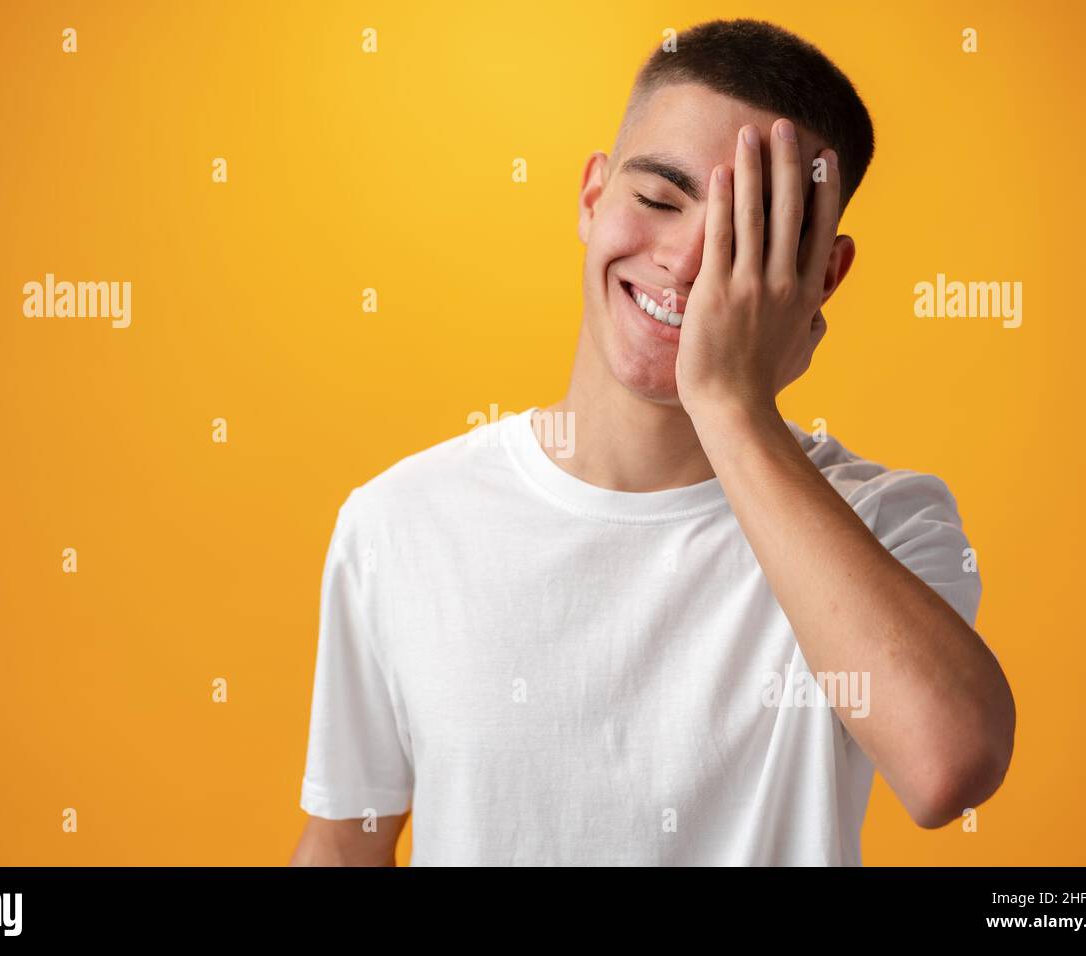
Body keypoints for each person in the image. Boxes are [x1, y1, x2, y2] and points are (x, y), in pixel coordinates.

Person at [290, 17, 1014, 866]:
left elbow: (949, 766)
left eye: (750, 239)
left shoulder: (885, 521)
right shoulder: (399, 522)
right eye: (660, 200)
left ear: (823, 275)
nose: (685, 262)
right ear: (593, 198)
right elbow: (344, 845)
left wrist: (732, 406)